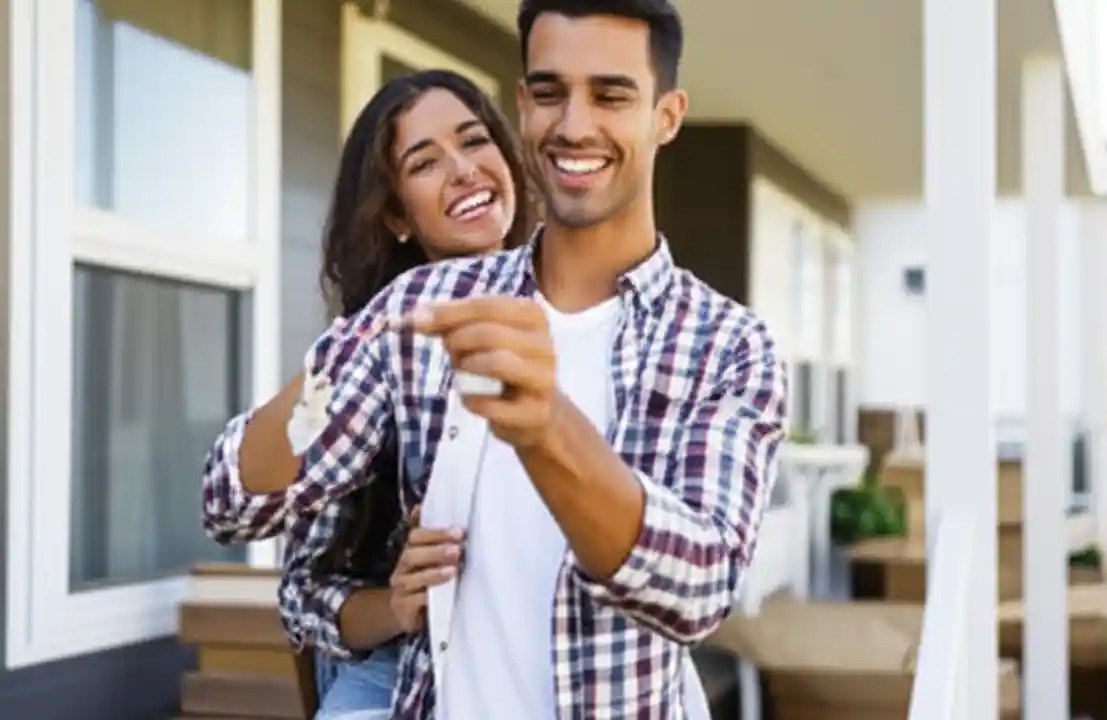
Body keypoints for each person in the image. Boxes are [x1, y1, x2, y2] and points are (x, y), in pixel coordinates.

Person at [233, 0, 787, 717]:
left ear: (667, 116)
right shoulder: (428, 301)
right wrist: (342, 355)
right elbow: (237, 501)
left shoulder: (729, 345)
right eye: (551, 92)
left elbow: (698, 590)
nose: (575, 124)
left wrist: (546, 428)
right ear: (523, 106)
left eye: (612, 94)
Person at [200, 68, 530, 719]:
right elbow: (230, 507)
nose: (464, 170)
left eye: (475, 140)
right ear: (397, 214)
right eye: (425, 162)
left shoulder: (577, 304)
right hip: (398, 673)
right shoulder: (381, 347)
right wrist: (401, 605)